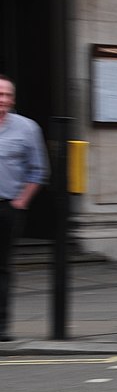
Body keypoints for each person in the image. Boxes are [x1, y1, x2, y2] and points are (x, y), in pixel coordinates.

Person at [0, 75, 48, 342]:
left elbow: (39, 170)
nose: (3, 100)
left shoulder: (27, 128)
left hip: (7, 207)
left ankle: (1, 327)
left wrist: (21, 202)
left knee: (3, 268)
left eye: (7, 95)